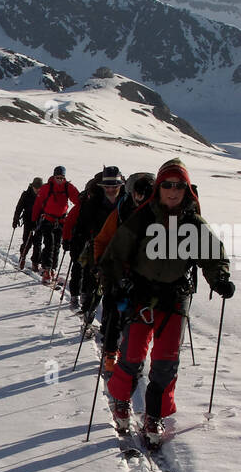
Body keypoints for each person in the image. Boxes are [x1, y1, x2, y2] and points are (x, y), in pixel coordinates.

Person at [98, 159, 234, 443]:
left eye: (179, 186)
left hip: (175, 296)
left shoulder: (192, 223)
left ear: (187, 190)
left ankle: (154, 416)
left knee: (166, 360)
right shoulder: (144, 217)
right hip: (142, 295)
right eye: (168, 185)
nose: (173, 191)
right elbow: (115, 253)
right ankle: (121, 401)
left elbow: (213, 256)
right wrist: (114, 284)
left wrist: (219, 277)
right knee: (133, 354)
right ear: (159, 187)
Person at [94, 172, 154, 375]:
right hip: (117, 271)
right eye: (138, 191)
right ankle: (110, 352)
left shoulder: (158, 214)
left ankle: (123, 354)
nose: (141, 196)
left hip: (143, 276)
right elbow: (102, 240)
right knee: (112, 313)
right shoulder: (121, 212)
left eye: (145, 192)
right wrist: (100, 265)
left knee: (133, 318)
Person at [66, 166, 124, 313]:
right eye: (107, 186)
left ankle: (108, 326)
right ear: (102, 187)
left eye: (114, 186)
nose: (110, 190)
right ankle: (88, 314)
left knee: (115, 291)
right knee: (93, 285)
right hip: (98, 249)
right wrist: (74, 245)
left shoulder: (126, 203)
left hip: (120, 253)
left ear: (120, 185)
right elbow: (80, 226)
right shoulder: (92, 204)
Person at [31, 166, 80, 284]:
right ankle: (47, 269)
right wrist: (33, 219)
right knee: (49, 244)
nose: (60, 180)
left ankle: (52, 268)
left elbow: (78, 200)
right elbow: (38, 204)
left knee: (57, 245)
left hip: (62, 221)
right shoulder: (47, 188)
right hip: (48, 220)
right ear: (54, 176)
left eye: (62, 178)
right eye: (58, 177)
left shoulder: (68, 187)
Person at [13, 177, 43, 270]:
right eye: (36, 188)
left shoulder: (44, 195)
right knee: (27, 241)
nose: (38, 190)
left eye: (39, 188)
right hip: (28, 220)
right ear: (32, 186)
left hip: (39, 222)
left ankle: (35, 263)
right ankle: (22, 258)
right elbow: (19, 207)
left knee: (38, 243)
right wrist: (15, 219)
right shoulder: (26, 194)